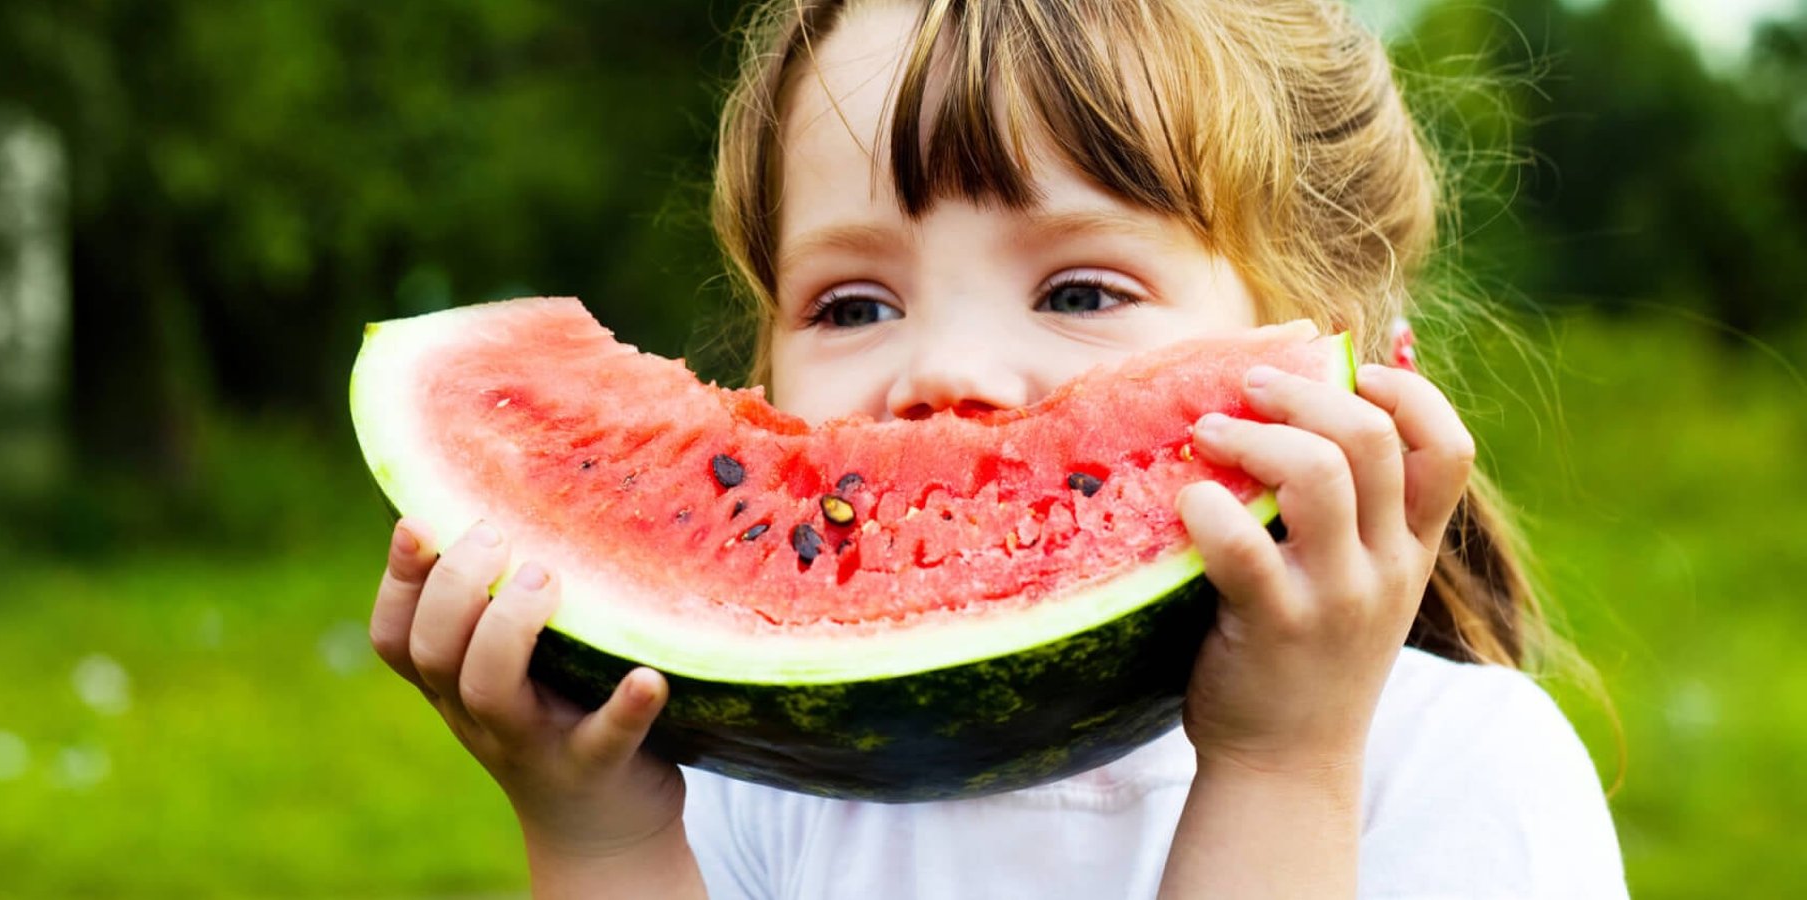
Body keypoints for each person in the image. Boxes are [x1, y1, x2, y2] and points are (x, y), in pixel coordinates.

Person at [367, 0, 1629, 896]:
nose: (945, 372)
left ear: (1356, 378)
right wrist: (601, 840)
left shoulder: (1461, 768)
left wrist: (1284, 764)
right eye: (852, 306)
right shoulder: (759, 789)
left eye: (1079, 291)